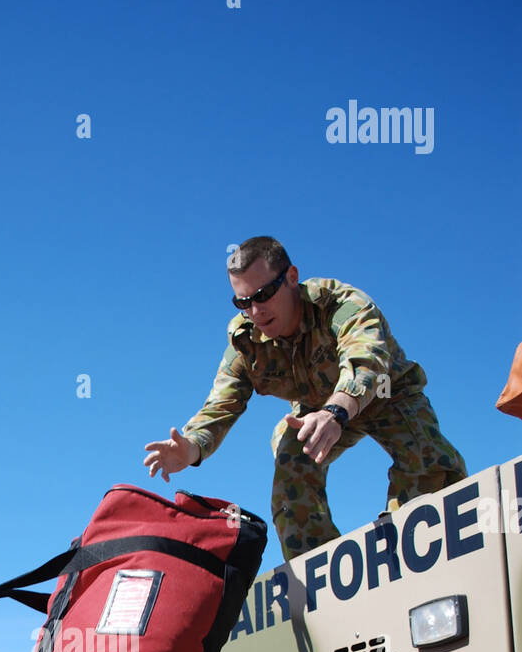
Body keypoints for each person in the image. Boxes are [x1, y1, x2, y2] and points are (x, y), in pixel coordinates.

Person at [144, 235, 467, 558]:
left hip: (386, 395)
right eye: (243, 303)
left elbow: (366, 361)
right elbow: (222, 404)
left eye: (263, 295)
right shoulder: (247, 342)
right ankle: (318, 566)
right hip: (315, 413)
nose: (255, 311)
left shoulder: (342, 305)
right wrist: (192, 447)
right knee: (291, 457)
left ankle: (413, 537)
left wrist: (336, 412)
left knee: (429, 459)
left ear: (292, 278)